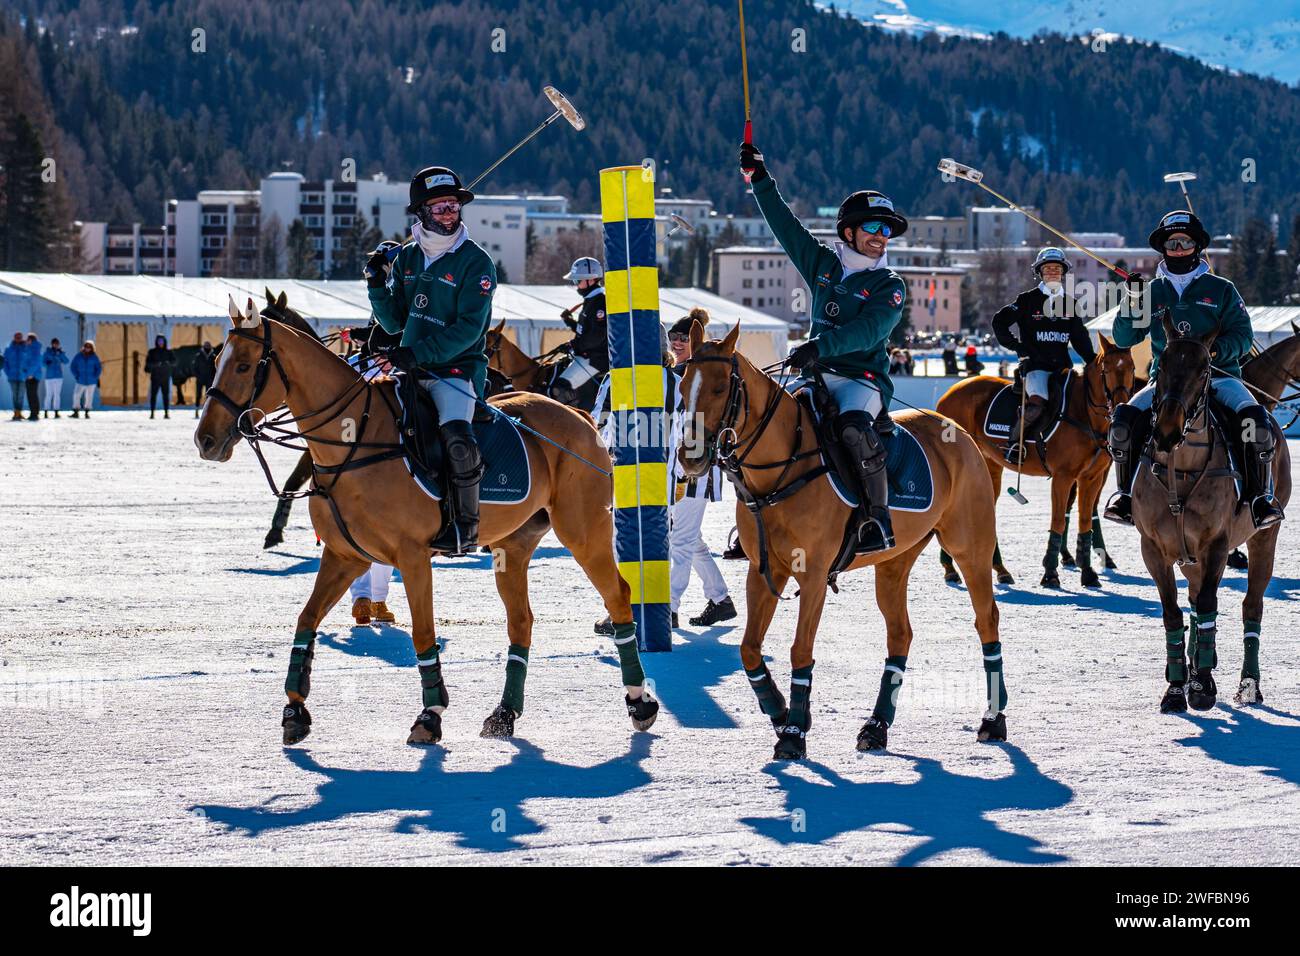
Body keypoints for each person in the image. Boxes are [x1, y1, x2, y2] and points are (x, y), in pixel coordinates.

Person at [741, 140, 908, 553]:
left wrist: (819, 346)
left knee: (852, 428)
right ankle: (754, 513)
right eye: (873, 227)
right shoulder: (823, 264)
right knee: (765, 422)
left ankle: (876, 519)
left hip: (861, 381)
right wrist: (759, 178)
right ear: (849, 231)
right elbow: (785, 225)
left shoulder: (890, 285)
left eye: (886, 230)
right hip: (814, 374)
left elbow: (869, 332)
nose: (881, 237)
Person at [1105, 210, 1284, 529]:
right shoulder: (1150, 292)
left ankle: (1258, 498)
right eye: (1171, 242)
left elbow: (1243, 336)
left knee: (1256, 421)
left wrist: (1214, 351)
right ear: (1163, 248)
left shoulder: (1221, 289)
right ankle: (1125, 497)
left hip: (1219, 376)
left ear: (1196, 245)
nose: (1177, 248)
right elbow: (1123, 337)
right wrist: (1132, 301)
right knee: (1123, 422)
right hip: (1167, 383)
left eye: (1184, 241)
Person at [368, 165, 496, 554]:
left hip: (455, 370)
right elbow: (394, 322)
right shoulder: (408, 257)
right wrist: (375, 284)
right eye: (439, 207)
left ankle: (464, 526)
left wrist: (416, 353)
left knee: (456, 436)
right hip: (410, 366)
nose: (448, 213)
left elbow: (468, 331)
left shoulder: (476, 263)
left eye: (452, 206)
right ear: (421, 212)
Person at [991, 247, 1096, 463]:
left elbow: (1080, 339)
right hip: (1036, 367)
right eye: (1047, 269)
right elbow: (999, 322)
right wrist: (1017, 347)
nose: (1052, 273)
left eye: (1056, 269)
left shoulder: (1070, 304)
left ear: (1063, 273)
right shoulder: (1026, 300)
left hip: (1063, 369)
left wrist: (1093, 361)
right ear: (1040, 272)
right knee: (1038, 403)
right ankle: (1015, 444)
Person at [667, 310, 737, 628]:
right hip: (680, 468)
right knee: (688, 539)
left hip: (695, 469)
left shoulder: (697, 378)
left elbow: (698, 425)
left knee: (680, 540)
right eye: (673, 338)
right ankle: (720, 599)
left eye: (683, 338)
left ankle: (668, 608)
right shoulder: (680, 375)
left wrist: (689, 468)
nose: (678, 343)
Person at [551, 257, 608, 407]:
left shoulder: (600, 301)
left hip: (595, 358)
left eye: (578, 281)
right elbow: (585, 331)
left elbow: (596, 337)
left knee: (560, 387)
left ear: (592, 279)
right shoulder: (591, 300)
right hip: (586, 355)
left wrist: (573, 344)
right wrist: (569, 322)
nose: (576, 285)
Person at [69, 340, 101, 418]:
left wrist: (95, 376)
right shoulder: (79, 356)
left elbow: (98, 368)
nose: (87, 348)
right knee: (76, 395)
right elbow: (72, 366)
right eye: (86, 347)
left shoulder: (94, 357)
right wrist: (76, 375)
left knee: (89, 396)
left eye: (89, 347)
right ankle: (76, 411)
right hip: (80, 380)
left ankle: (87, 411)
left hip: (91, 380)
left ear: (92, 348)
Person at [144, 334, 173, 419]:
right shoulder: (152, 352)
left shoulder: (168, 352)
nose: (160, 343)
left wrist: (168, 363)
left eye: (162, 341)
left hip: (165, 377)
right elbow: (147, 364)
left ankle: (166, 413)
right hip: (155, 377)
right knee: (153, 395)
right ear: (156, 342)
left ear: (164, 342)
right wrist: (155, 364)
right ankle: (152, 413)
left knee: (166, 396)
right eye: (159, 341)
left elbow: (175, 362)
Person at [42, 337, 70, 418]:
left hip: (58, 377)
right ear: (52, 344)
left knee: (57, 394)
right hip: (49, 377)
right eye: (54, 343)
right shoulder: (47, 352)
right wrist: (47, 362)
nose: (55, 345)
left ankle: (56, 411)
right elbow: (42, 363)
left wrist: (61, 354)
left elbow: (66, 361)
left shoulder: (60, 353)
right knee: (48, 394)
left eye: (57, 343)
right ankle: (46, 411)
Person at [5, 331, 28, 421]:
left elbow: (29, 360)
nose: (18, 339)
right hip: (12, 376)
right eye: (17, 337)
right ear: (14, 338)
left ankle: (19, 412)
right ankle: (16, 412)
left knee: (21, 395)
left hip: (23, 376)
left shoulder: (26, 348)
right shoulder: (9, 349)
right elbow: (5, 362)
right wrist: (8, 372)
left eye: (20, 337)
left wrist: (27, 372)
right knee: (15, 394)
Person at [193, 341, 217, 418]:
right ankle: (196, 410)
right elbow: (194, 368)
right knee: (198, 394)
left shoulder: (213, 356)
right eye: (206, 345)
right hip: (200, 379)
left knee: (208, 396)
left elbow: (215, 369)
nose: (207, 346)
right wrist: (198, 376)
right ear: (203, 346)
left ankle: (207, 411)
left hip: (209, 379)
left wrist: (213, 378)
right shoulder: (199, 356)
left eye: (208, 345)